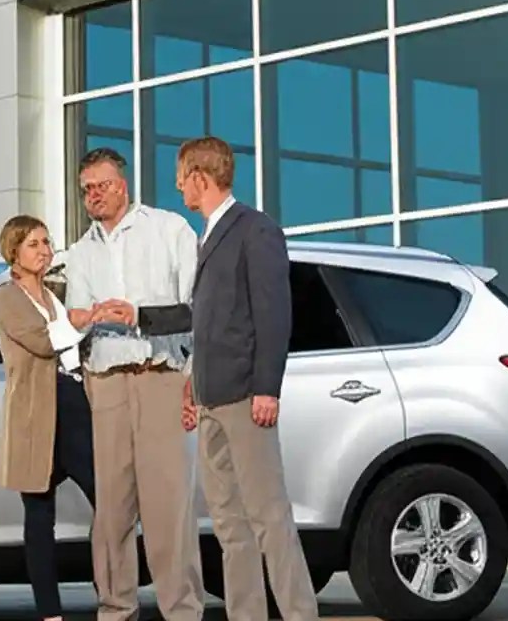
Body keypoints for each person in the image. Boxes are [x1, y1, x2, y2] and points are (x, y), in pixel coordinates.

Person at [175, 136, 320, 621]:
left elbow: (273, 315)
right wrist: (193, 386)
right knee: (228, 527)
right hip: (212, 398)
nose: (178, 188)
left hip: (245, 397)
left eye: (181, 178)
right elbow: (211, 322)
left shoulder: (255, 230)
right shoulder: (209, 236)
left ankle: (300, 614)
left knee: (269, 519)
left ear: (200, 176)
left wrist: (267, 388)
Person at [65, 147, 204, 621]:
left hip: (158, 377)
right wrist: (80, 319)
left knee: (169, 508)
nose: (93, 196)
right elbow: (74, 321)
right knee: (111, 510)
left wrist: (192, 379)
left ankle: (182, 611)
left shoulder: (169, 230)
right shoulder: (79, 253)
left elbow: (198, 307)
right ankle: (115, 608)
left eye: (100, 186)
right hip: (105, 384)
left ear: (121, 186)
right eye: (85, 189)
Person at [0, 214, 110, 621]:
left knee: (109, 503)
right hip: (34, 412)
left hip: (73, 402)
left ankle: (111, 598)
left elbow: (77, 345)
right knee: (39, 516)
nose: (44, 250)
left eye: (46, 242)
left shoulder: (59, 292)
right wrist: (80, 320)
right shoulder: (5, 297)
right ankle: (50, 613)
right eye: (34, 244)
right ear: (14, 252)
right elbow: (41, 342)